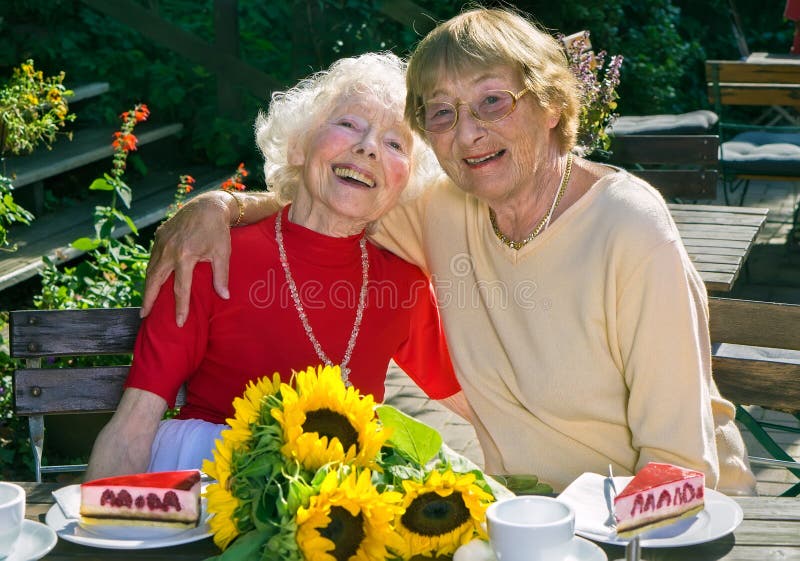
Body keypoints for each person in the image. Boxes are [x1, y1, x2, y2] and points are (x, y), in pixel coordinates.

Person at [141, 8, 757, 494]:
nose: (467, 133)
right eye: (442, 113)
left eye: (493, 101)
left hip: (660, 510)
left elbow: (678, 460)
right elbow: (334, 190)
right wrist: (222, 206)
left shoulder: (630, 226)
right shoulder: (444, 207)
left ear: (549, 105)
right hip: (524, 508)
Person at [85, 52, 464, 479]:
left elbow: (475, 398)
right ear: (299, 146)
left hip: (342, 496)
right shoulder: (211, 256)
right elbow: (135, 422)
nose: (368, 147)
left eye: (395, 143)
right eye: (349, 124)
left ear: (404, 182)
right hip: (209, 478)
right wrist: (102, 535)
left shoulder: (403, 283)